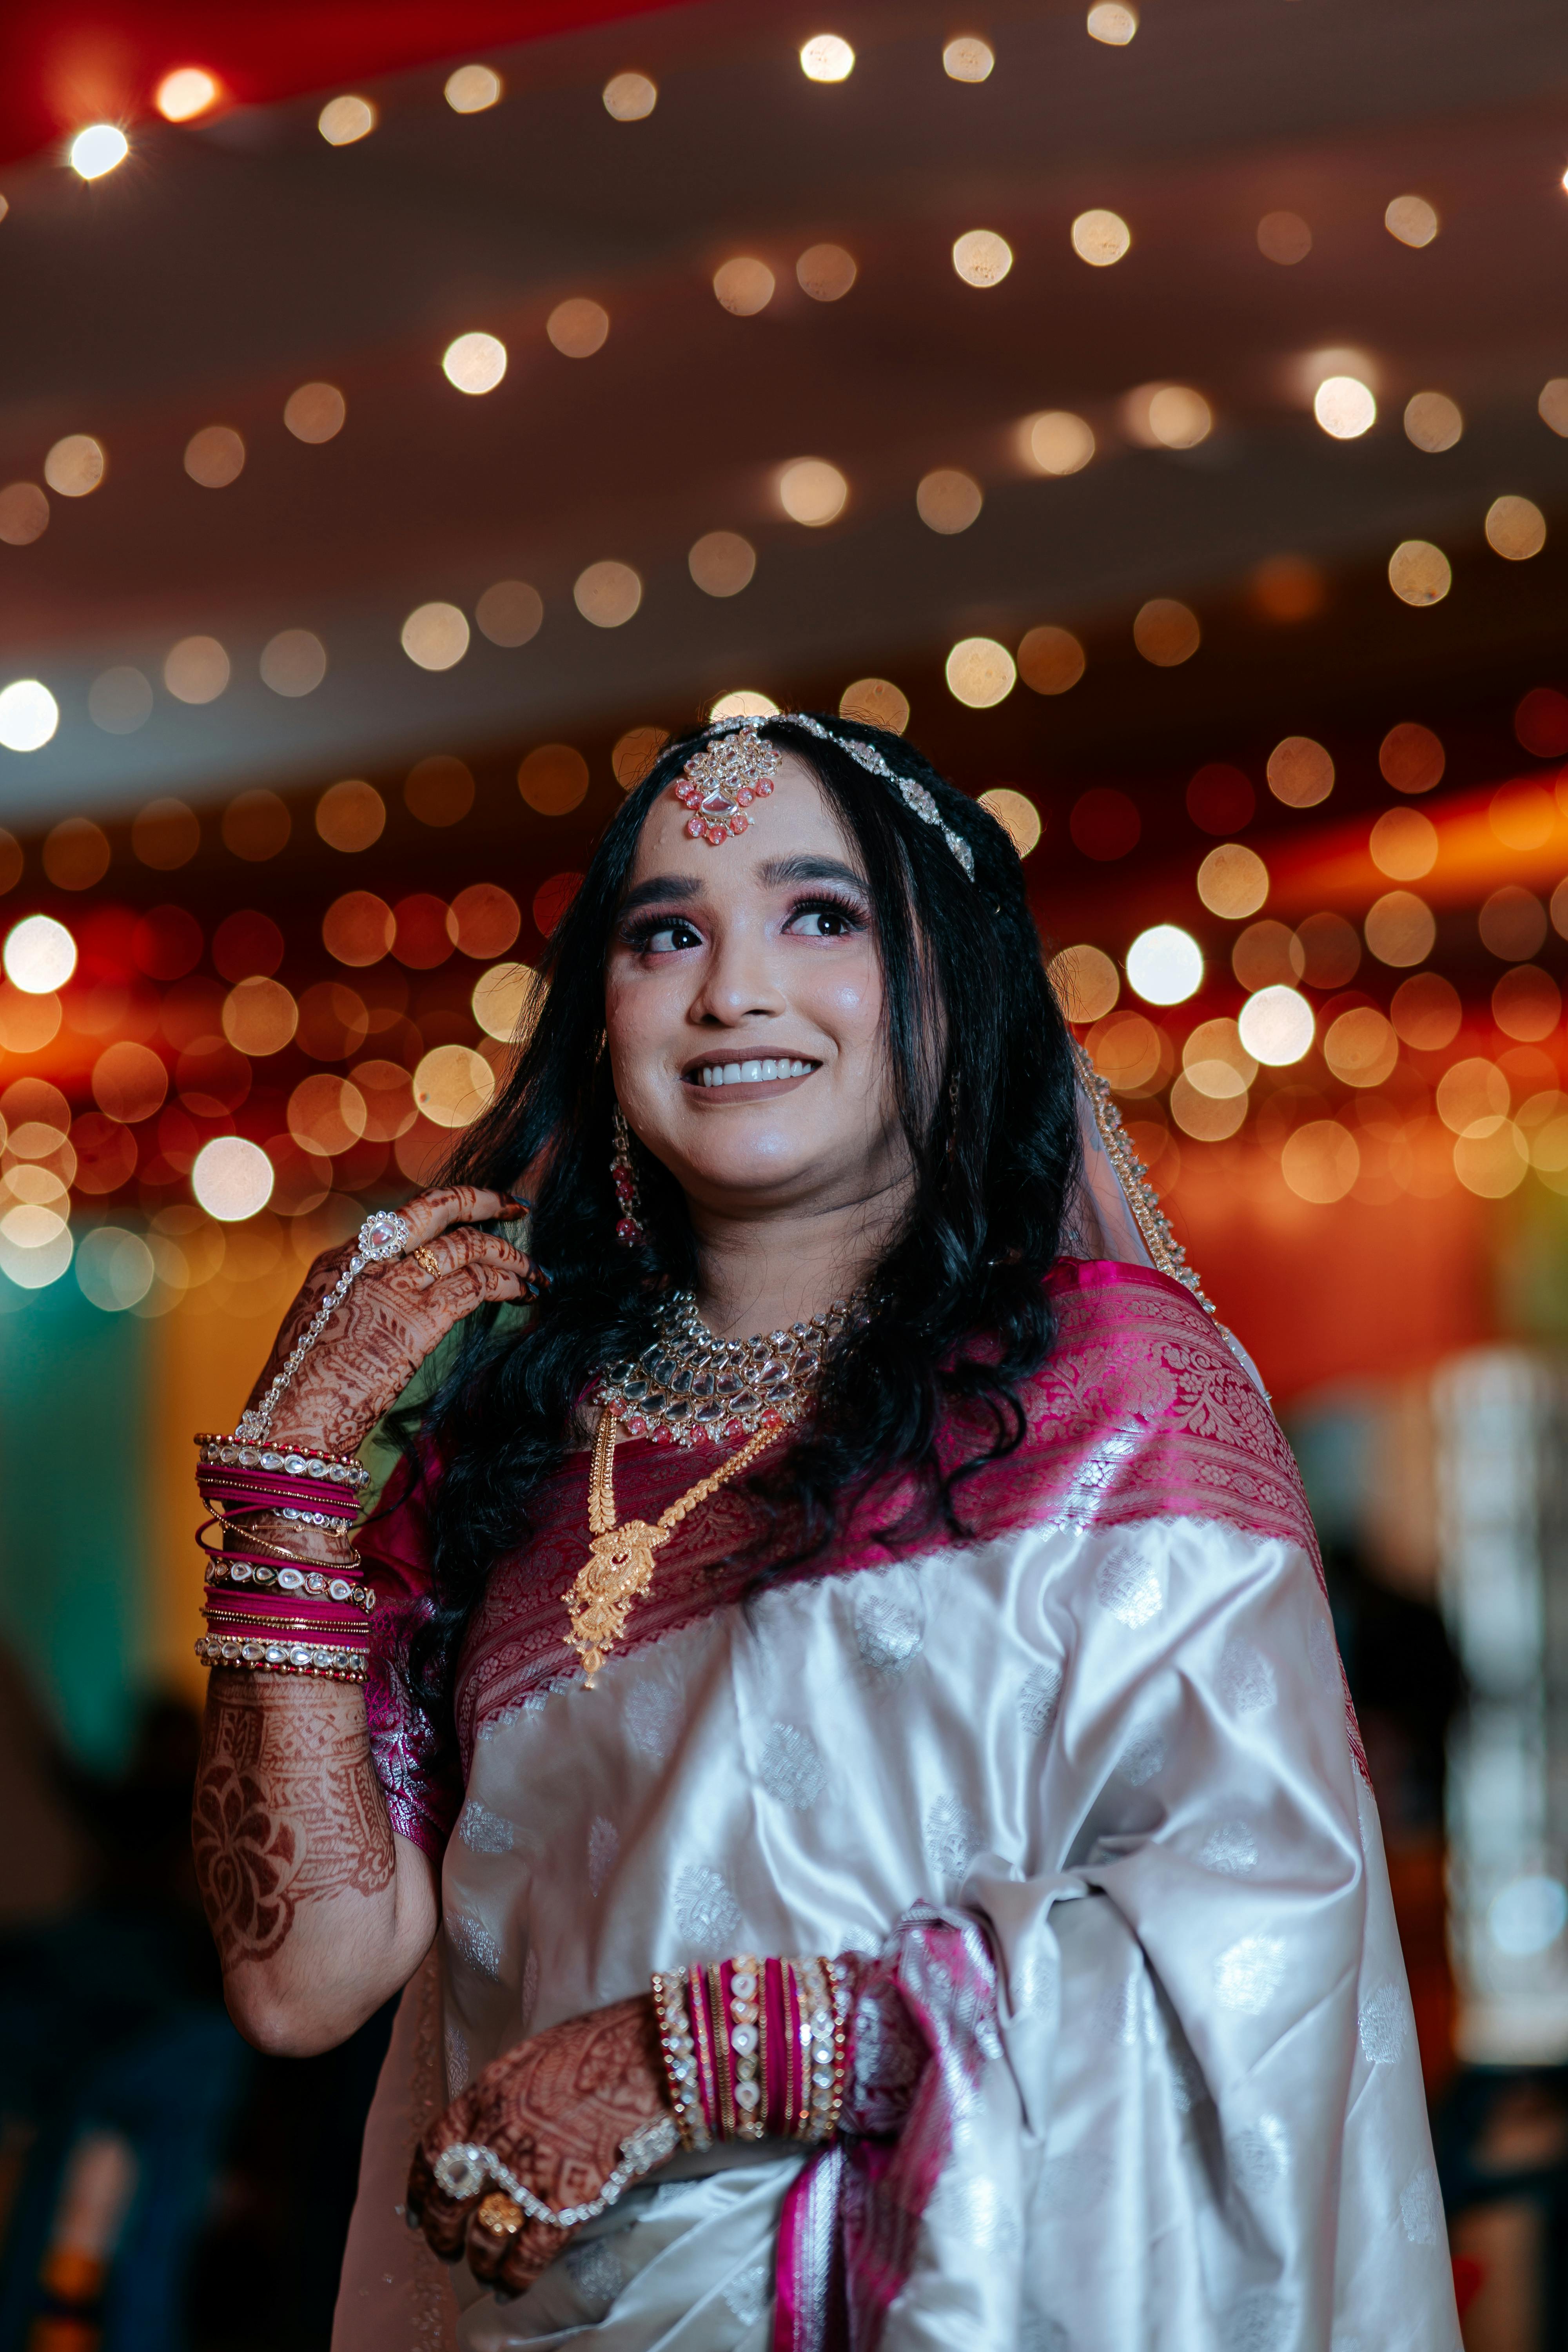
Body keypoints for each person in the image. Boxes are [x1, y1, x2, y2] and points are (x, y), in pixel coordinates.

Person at [190, 713, 1459, 2351]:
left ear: (952, 991)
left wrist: (693, 2057)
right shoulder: (509, 1457)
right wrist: (288, 1485)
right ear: (604, 1015)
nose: (733, 992)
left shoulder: (1108, 1389)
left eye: (822, 915)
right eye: (666, 934)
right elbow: (305, 1981)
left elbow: (1256, 1936)